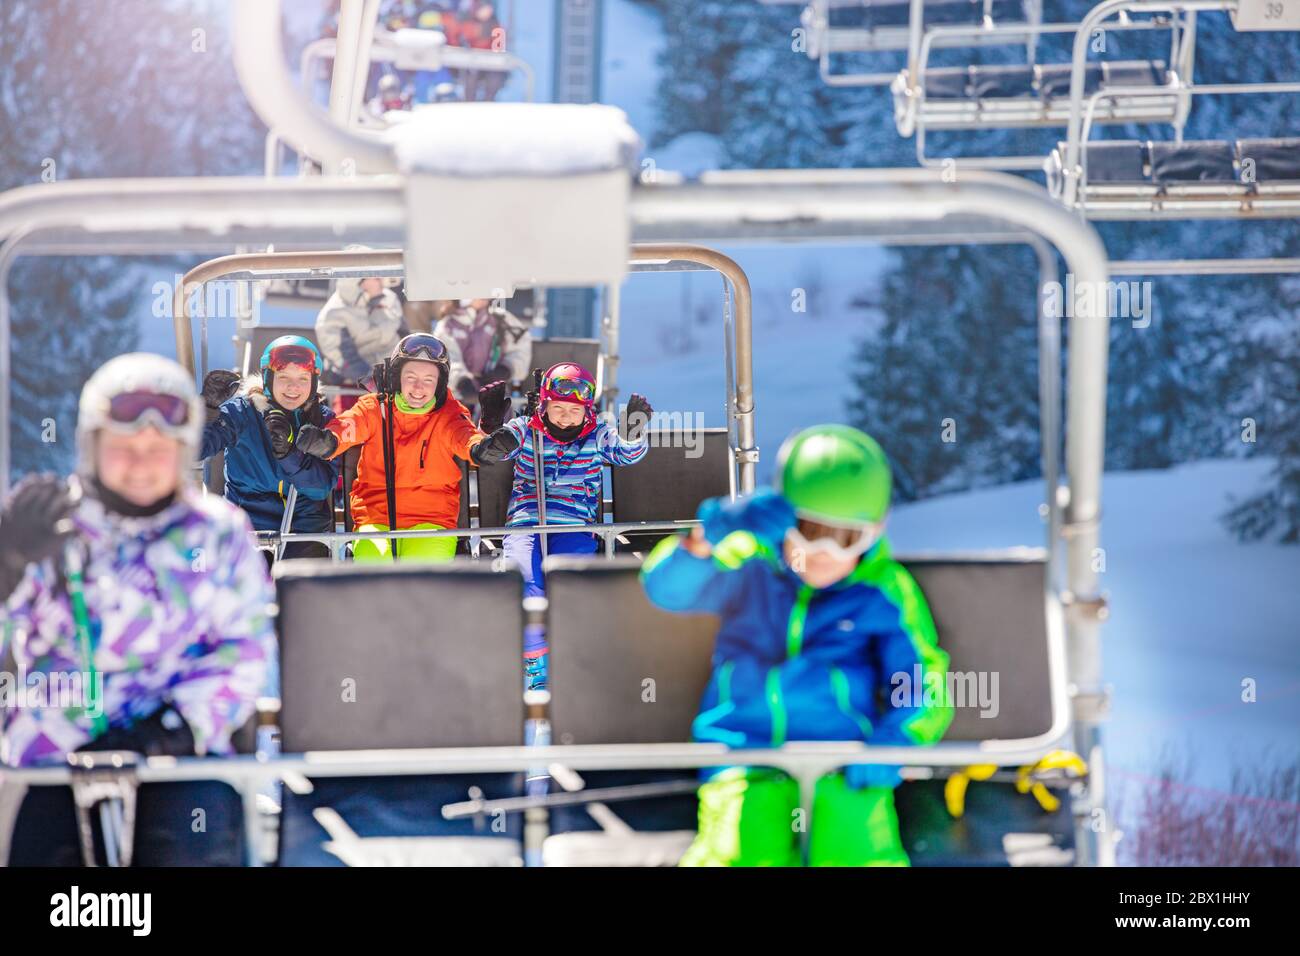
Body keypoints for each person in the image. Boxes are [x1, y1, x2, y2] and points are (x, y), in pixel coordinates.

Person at [0, 353, 275, 865]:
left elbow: (244, 649)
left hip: (177, 759)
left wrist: (173, 730)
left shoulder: (216, 533)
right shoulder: (52, 528)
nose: (142, 464)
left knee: (191, 838)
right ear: (92, 446)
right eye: (124, 447)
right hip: (54, 758)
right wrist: (8, 565)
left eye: (160, 449)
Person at [639, 424, 954, 867]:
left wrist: (896, 743)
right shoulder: (749, 561)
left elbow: (922, 677)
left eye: (845, 537)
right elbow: (668, 590)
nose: (824, 551)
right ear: (781, 515)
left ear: (875, 533)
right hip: (743, 751)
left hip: (846, 760)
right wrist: (706, 537)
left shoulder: (883, 590)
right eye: (809, 529)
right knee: (740, 850)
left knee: (855, 851)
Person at [472, 362, 652, 689]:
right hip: (527, 523)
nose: (565, 417)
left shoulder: (598, 436)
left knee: (567, 582)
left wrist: (632, 433)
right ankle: (535, 659)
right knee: (526, 580)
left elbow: (627, 455)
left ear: (587, 410)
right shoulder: (527, 428)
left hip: (573, 525)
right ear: (544, 405)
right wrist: (493, 429)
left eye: (574, 410)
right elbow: (492, 452)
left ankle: (573, 655)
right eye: (557, 408)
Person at [295, 333, 484, 562]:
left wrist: (483, 448)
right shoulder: (375, 407)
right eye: (410, 377)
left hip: (432, 518)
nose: (418, 387)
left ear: (439, 384)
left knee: (424, 572)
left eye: (428, 380)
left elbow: (466, 437)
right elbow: (349, 425)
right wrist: (330, 440)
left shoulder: (449, 413)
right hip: (376, 517)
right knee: (374, 568)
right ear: (396, 377)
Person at [198, 335, 339, 562]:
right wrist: (207, 411)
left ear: (313, 383)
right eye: (284, 377)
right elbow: (195, 451)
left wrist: (289, 454)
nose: (294, 387)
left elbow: (321, 488)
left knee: (300, 589)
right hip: (247, 526)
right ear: (268, 378)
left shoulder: (322, 421)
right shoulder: (242, 413)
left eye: (303, 378)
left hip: (303, 529)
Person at [315, 269, 406, 414]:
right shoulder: (333, 314)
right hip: (354, 391)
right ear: (358, 281)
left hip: (393, 386)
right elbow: (345, 357)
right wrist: (372, 383)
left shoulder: (389, 299)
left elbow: (404, 335)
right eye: (376, 277)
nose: (382, 281)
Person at [434, 298, 531, 416]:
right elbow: (445, 358)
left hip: (496, 396)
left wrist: (506, 369)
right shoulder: (447, 325)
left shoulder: (501, 319)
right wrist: (461, 381)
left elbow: (521, 347)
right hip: (459, 398)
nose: (484, 296)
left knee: (497, 430)